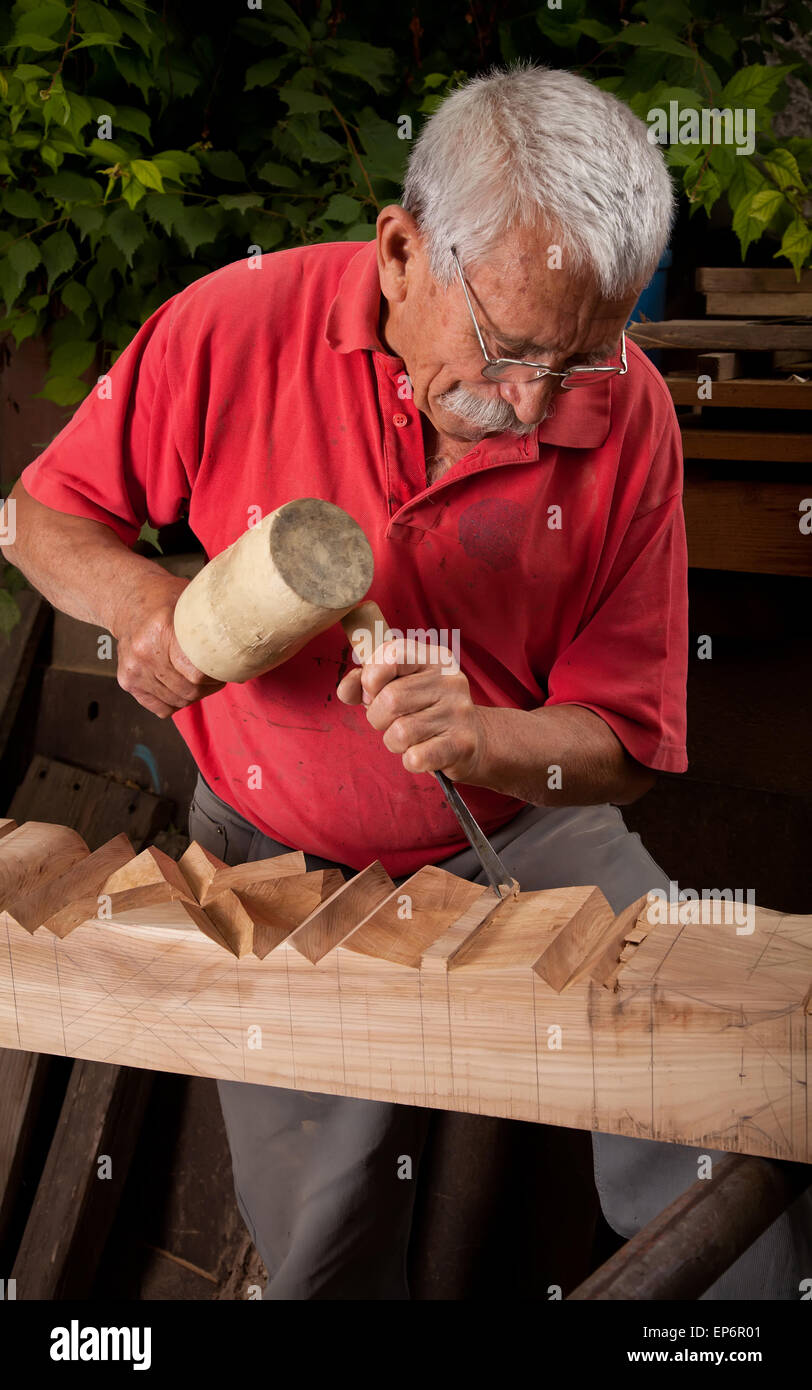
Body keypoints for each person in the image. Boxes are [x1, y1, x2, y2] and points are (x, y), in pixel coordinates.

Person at [3, 61, 808, 1299]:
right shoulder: (232, 322)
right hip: (271, 839)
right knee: (321, 1238)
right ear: (398, 251)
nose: (534, 402)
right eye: (505, 348)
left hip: (523, 822)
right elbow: (39, 517)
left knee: (711, 1109)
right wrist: (146, 605)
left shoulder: (628, 408)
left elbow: (625, 749)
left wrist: (485, 737)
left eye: (577, 360)